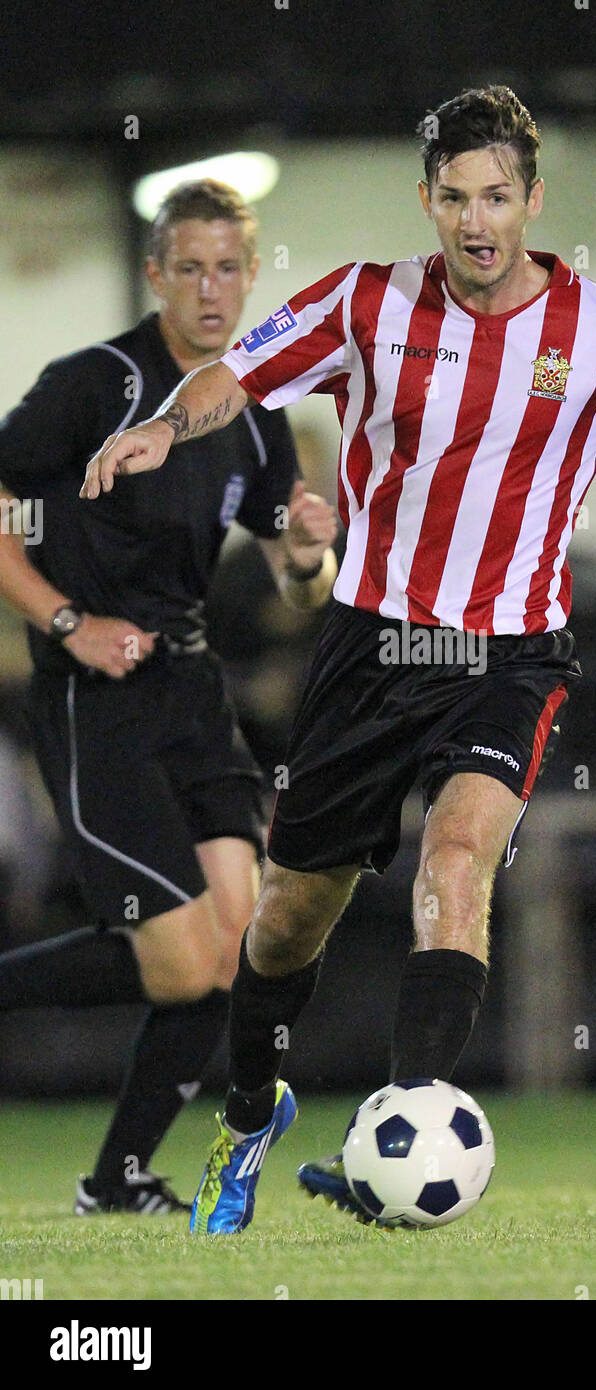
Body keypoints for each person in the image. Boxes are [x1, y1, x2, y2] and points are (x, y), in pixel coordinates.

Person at [81, 86, 596, 1235]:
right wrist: (162, 425)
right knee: (291, 917)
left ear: (532, 200)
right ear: (427, 201)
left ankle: (398, 1132)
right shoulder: (364, 304)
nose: (476, 220)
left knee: (457, 865)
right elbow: (235, 374)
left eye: (496, 195)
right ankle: (249, 1113)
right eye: (454, 197)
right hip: (371, 646)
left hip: (510, 653)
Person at [0, 178, 337, 1214]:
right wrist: (67, 622)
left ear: (248, 275)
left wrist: (313, 553)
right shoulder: (90, 384)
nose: (209, 287)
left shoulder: (252, 410)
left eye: (227, 267)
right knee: (183, 964)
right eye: (188, 266)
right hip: (92, 694)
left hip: (193, 692)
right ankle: (116, 1168)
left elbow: (293, 574)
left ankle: (114, 1181)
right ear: (155, 275)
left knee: (236, 952)